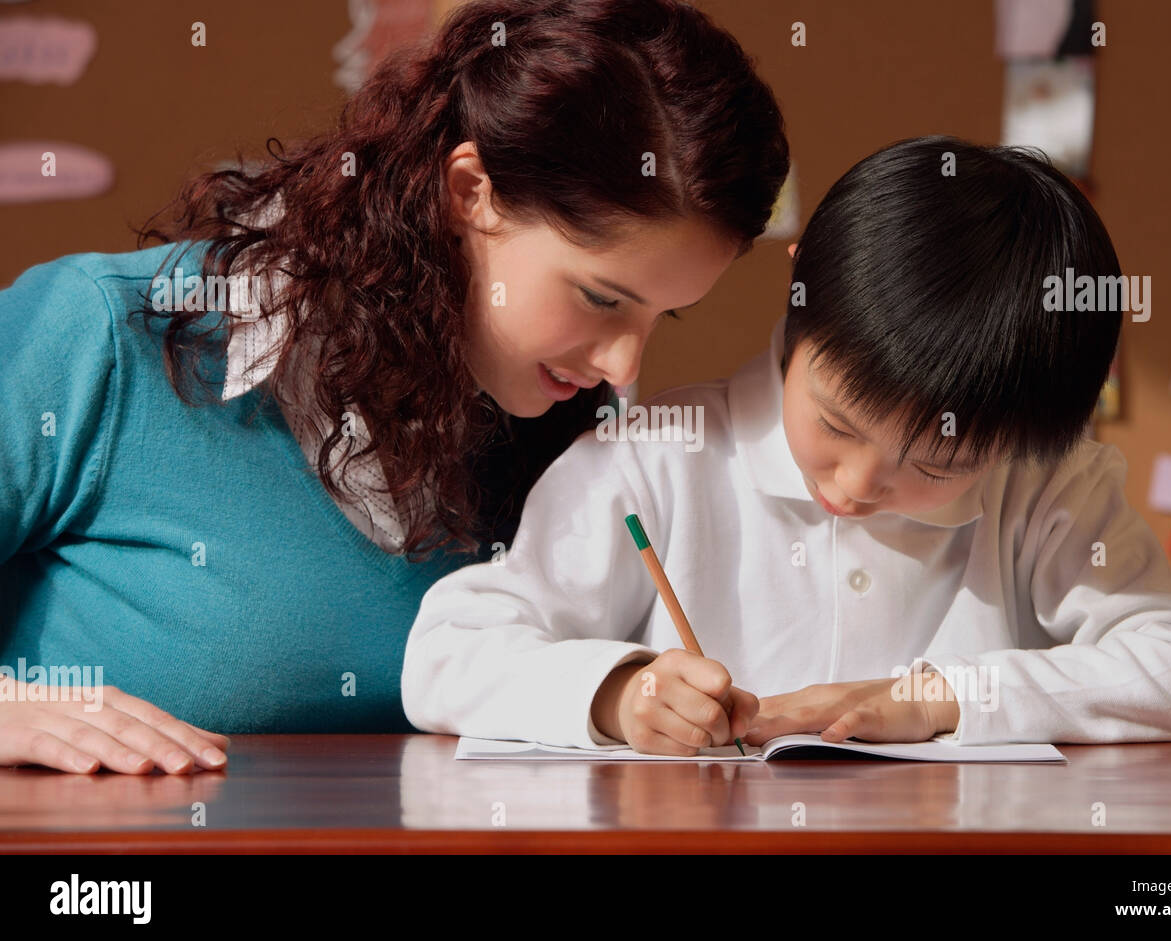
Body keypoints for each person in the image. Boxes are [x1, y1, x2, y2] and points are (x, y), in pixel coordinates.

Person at [0, 0, 790, 773]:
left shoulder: (568, 426)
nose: (624, 368)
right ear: (469, 192)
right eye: (600, 297)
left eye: (664, 317)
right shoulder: (98, 334)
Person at [401, 135, 1171, 754]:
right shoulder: (658, 459)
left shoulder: (1044, 488)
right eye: (837, 424)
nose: (856, 484)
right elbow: (449, 652)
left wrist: (950, 694)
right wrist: (620, 692)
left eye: (939, 464)